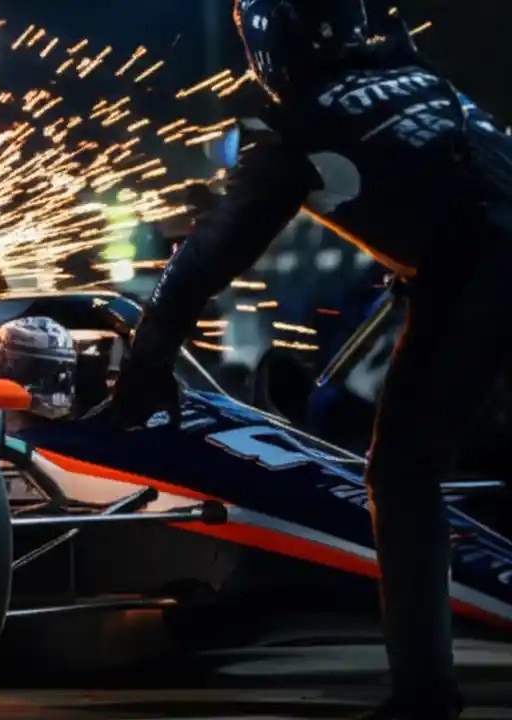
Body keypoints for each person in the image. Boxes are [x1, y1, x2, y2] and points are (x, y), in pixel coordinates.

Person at [86, 2, 511, 718]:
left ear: (268, 43)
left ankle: (425, 697)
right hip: (473, 259)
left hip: (473, 274)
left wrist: (144, 368)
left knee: (403, 472)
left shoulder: (297, 127)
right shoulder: (409, 69)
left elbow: (205, 260)